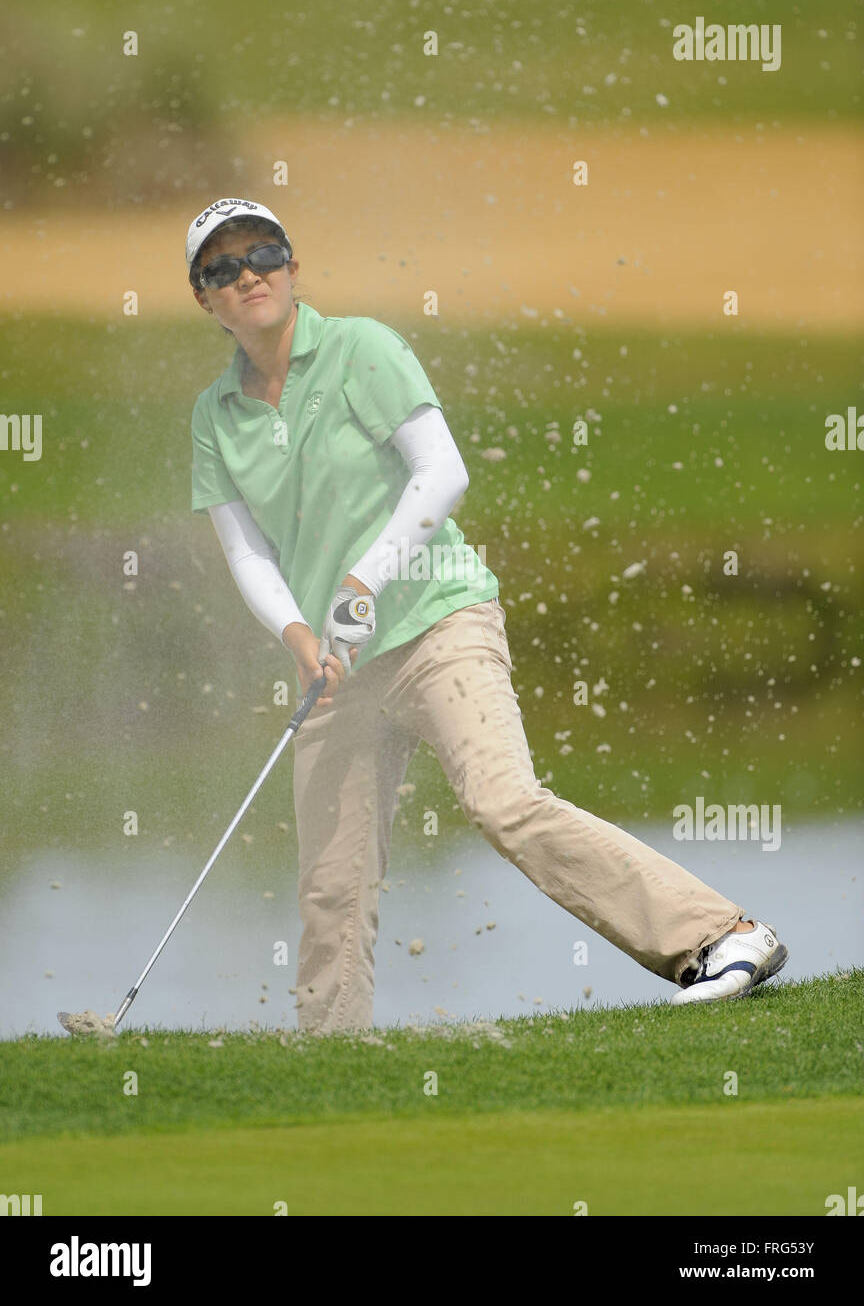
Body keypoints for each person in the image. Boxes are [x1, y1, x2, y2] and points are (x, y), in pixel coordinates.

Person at [186, 197, 789, 1034]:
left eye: (264, 254)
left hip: (440, 620)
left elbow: (442, 473)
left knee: (505, 802)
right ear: (204, 299)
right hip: (339, 664)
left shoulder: (362, 348)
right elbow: (248, 551)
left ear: (294, 268)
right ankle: (328, 1066)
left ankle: (720, 937)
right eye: (223, 267)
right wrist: (298, 635)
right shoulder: (215, 418)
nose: (248, 273)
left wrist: (363, 580)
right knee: (331, 883)